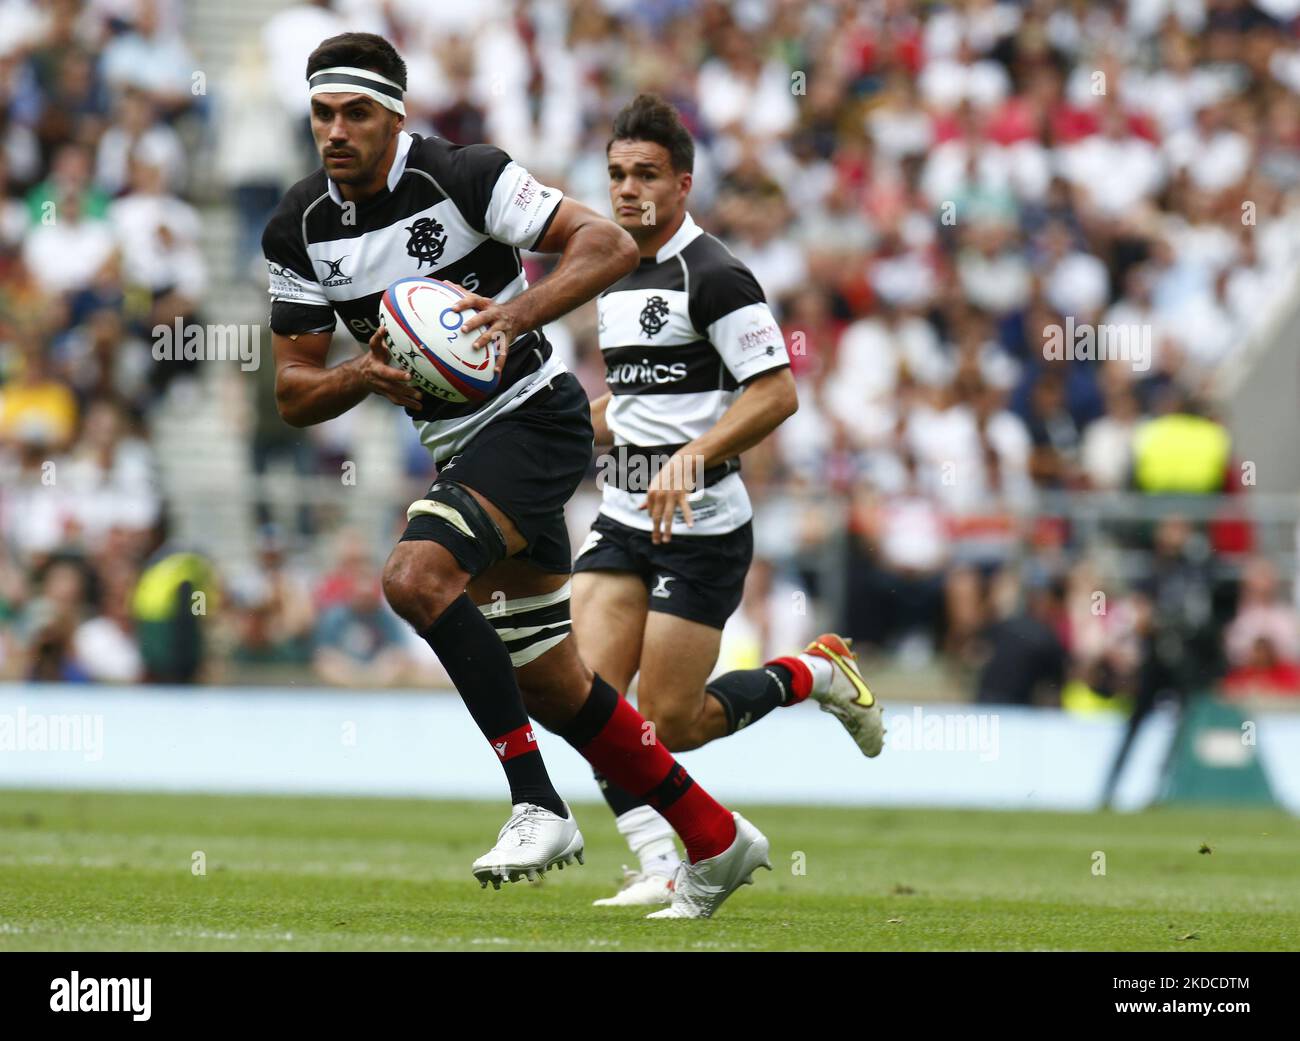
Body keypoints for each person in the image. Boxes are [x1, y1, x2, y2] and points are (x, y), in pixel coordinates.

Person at [261, 35, 769, 917]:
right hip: (459, 447)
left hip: (536, 417)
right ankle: (716, 835)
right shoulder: (296, 229)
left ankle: (536, 800)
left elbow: (605, 244)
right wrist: (360, 376)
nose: (335, 130)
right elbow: (294, 392)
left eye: (356, 113)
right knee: (552, 680)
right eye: (322, 113)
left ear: (396, 115)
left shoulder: (464, 174)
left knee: (415, 576)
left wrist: (510, 314)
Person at [571, 94, 884, 907]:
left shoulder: (714, 274)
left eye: (645, 174)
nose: (627, 189)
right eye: (615, 174)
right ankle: (659, 860)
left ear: (683, 183)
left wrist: (694, 456)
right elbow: (635, 401)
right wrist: (555, 424)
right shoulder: (609, 273)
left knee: (671, 721)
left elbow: (777, 393)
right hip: (622, 516)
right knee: (583, 699)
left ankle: (812, 672)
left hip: (702, 527)